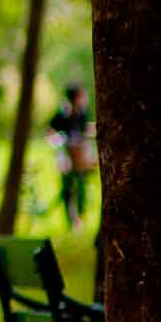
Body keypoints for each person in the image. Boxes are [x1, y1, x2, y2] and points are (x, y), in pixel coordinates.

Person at [47, 84, 97, 231]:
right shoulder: (62, 113)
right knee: (67, 188)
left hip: (80, 157)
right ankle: (71, 220)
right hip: (65, 157)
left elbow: (83, 132)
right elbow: (50, 132)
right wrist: (60, 142)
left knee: (82, 186)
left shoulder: (82, 113)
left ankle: (80, 217)